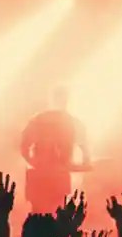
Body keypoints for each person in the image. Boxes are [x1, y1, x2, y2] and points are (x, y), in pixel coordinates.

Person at [20, 86, 89, 214]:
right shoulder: (73, 123)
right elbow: (86, 159)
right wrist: (69, 166)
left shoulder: (38, 120)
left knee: (38, 220)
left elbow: (23, 147)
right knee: (57, 219)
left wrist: (37, 164)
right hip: (57, 179)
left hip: (41, 178)